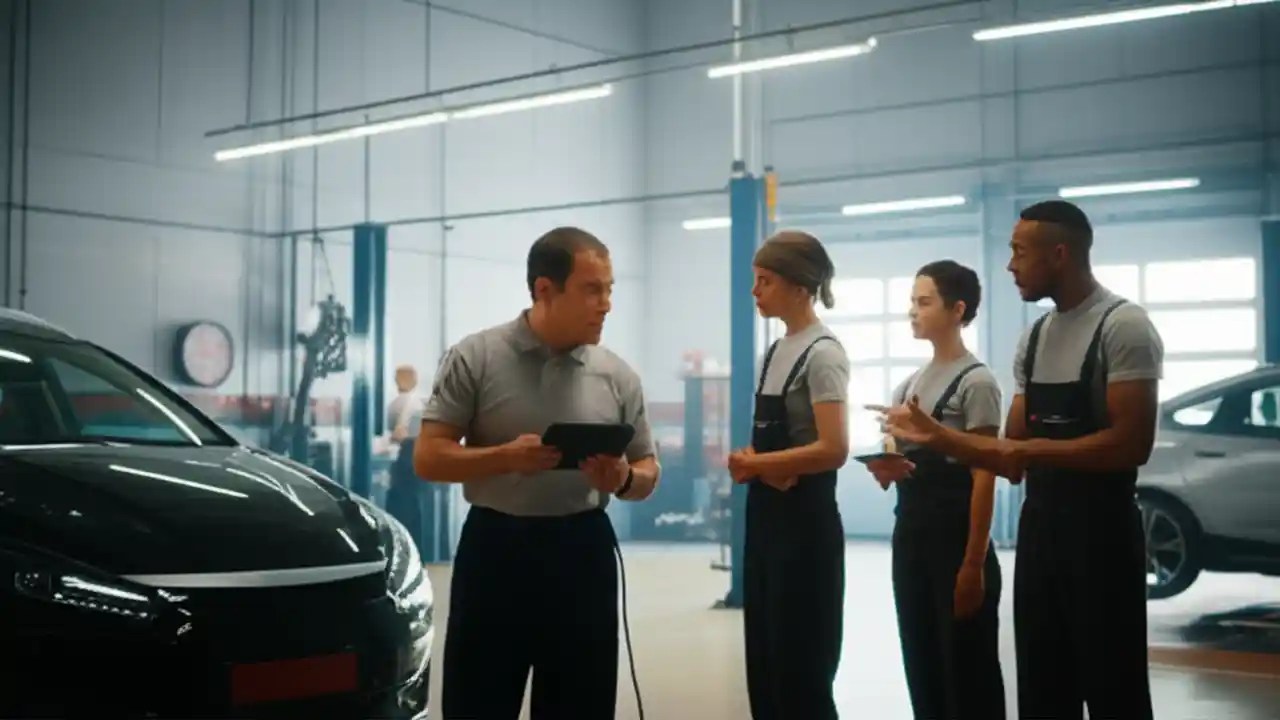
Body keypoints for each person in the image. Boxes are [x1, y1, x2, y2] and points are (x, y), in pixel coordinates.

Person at [879, 200, 1162, 720]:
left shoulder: (1123, 327)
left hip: (1103, 535)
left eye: (1019, 252)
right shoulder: (1033, 338)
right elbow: (1005, 458)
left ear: (1059, 254)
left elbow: (1130, 443)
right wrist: (939, 438)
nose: (1009, 265)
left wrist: (1024, 451)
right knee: (1041, 686)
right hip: (1040, 533)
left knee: (1112, 685)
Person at [414, 227, 660, 720]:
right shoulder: (476, 357)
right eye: (593, 289)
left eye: (610, 289)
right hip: (496, 551)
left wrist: (623, 480)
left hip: (582, 552)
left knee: (581, 702)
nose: (606, 304)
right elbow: (429, 457)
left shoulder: (617, 375)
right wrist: (504, 457)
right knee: (479, 699)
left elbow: (647, 468)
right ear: (545, 289)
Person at [866, 260, 1006, 720]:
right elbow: (906, 458)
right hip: (911, 538)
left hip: (956, 540)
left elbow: (983, 474)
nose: (912, 311)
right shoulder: (910, 384)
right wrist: (889, 465)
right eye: (911, 302)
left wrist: (972, 563)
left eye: (923, 302)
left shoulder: (978, 383)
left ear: (957, 309)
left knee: (966, 669)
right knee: (922, 659)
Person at [726, 230, 850, 720]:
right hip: (767, 517)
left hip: (806, 526)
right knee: (767, 659)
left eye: (764, 281)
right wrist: (757, 464)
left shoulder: (823, 354)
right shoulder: (775, 353)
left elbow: (833, 447)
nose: (755, 292)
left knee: (801, 668)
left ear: (800, 287)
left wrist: (758, 464)